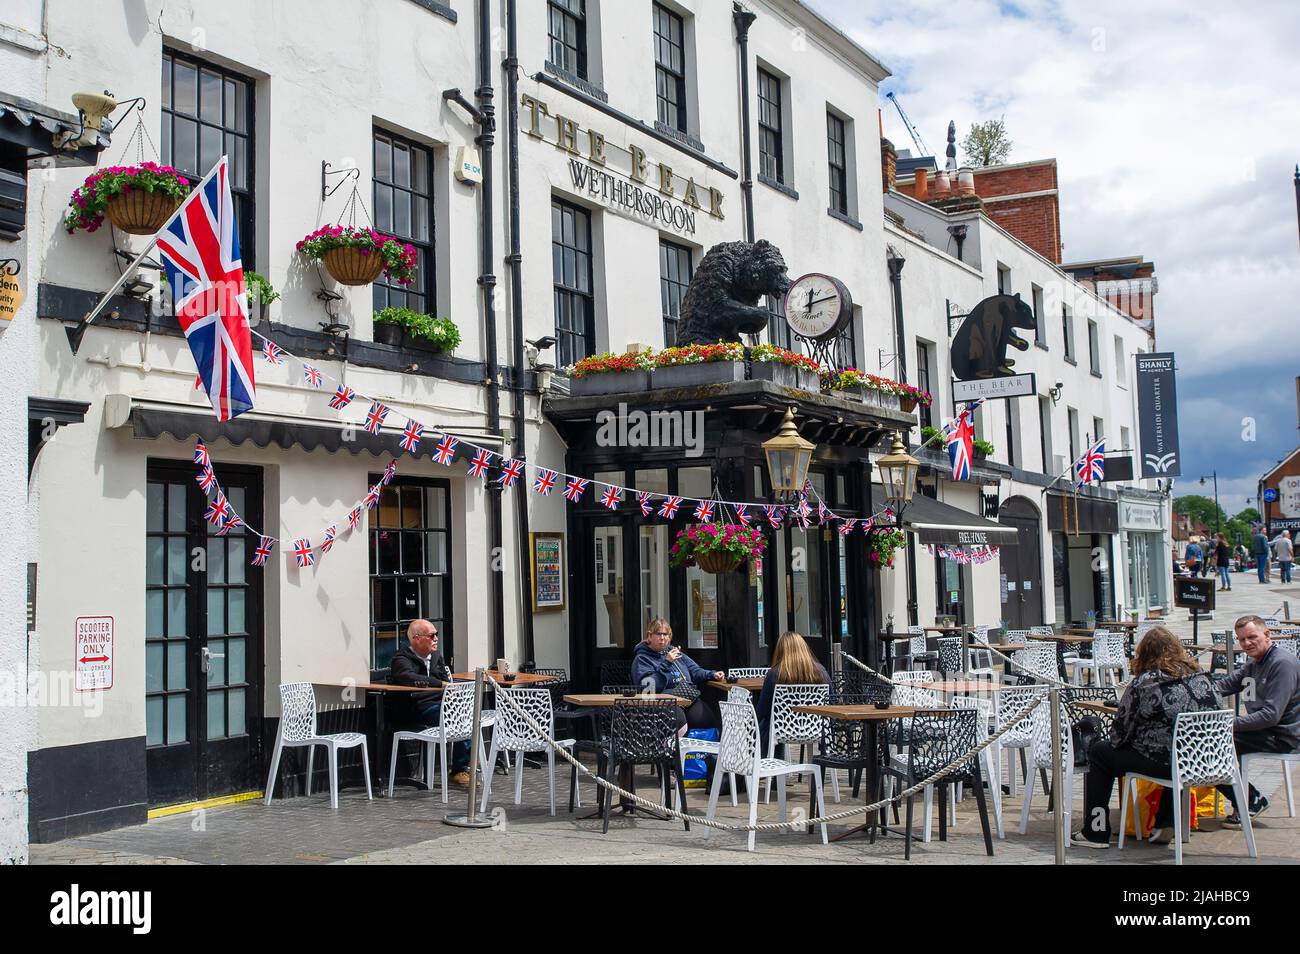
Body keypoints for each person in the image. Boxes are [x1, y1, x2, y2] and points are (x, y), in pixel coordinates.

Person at [1072, 626, 1220, 848]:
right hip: (1205, 759)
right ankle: (1164, 822)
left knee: (1100, 752)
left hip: (1167, 762)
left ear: (1145, 653)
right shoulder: (1203, 677)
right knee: (1175, 749)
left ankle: (1096, 831)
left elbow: (1120, 732)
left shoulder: (1146, 682)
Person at [1213, 615, 1300, 824]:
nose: (1246, 643)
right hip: (1266, 732)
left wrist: (1227, 724)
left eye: (1252, 637)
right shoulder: (1254, 663)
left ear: (1267, 634)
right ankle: (1247, 798)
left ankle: (1251, 800)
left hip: (1284, 736)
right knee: (1209, 742)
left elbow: (1271, 715)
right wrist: (1194, 691)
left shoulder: (1282, 664)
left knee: (1213, 745)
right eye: (1241, 639)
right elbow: (1225, 685)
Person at [389, 619, 470, 784]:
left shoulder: (436, 656)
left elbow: (446, 680)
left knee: (465, 714)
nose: (436, 638)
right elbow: (409, 678)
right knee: (457, 716)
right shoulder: (401, 659)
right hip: (416, 709)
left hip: (441, 705)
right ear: (417, 638)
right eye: (432, 635)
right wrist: (439, 684)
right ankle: (461, 766)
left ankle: (460, 768)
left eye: (437, 634)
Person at [631, 618, 724, 730]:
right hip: (661, 701)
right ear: (649, 636)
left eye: (665, 634)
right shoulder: (642, 658)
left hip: (686, 696)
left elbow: (694, 670)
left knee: (706, 720)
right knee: (679, 723)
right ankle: (673, 747)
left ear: (669, 637)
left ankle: (695, 747)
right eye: (658, 634)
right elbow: (647, 688)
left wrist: (712, 674)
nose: (662, 638)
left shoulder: (674, 652)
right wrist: (667, 663)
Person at [757, 631, 830, 756]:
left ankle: (768, 765)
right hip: (815, 728)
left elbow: (762, 710)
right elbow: (831, 701)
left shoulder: (774, 674)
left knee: (765, 723)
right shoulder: (820, 671)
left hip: (782, 728)